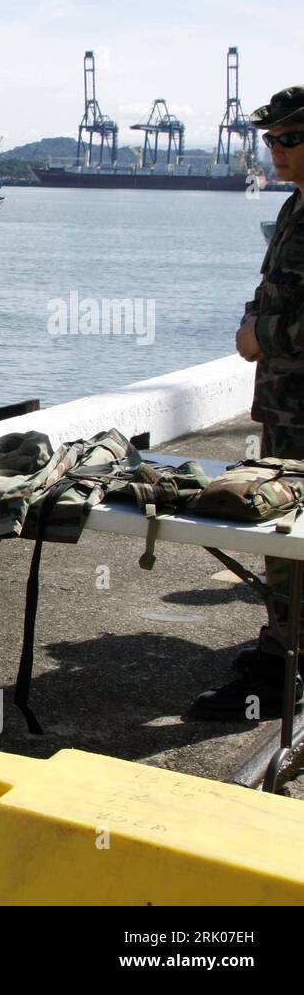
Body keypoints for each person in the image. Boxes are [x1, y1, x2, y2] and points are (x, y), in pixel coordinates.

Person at [193, 86, 304, 719]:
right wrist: (253, 319)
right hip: (285, 406)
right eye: (271, 139)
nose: (276, 150)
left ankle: (283, 667)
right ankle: (283, 649)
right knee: (282, 536)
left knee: (291, 539)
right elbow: (274, 290)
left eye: (290, 138)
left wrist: (261, 335)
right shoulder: (294, 208)